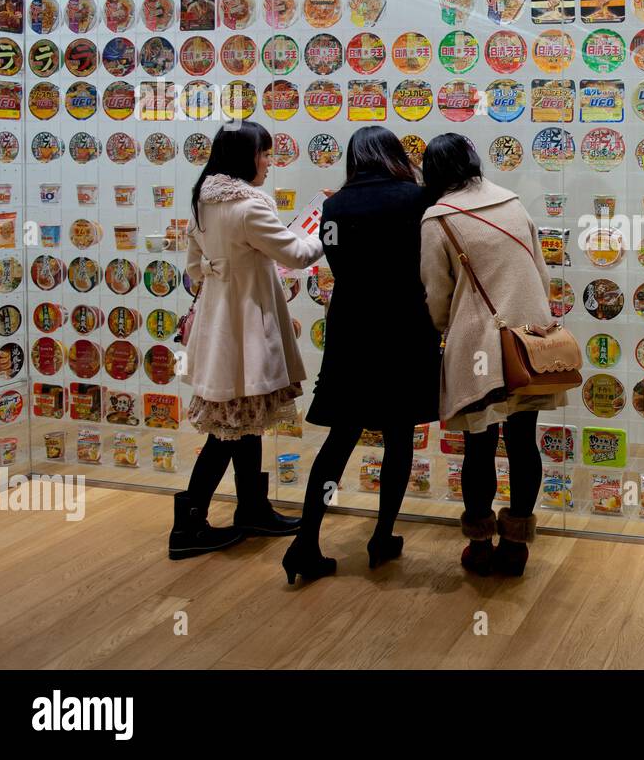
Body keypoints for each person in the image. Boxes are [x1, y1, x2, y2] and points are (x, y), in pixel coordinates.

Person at [282, 127, 442, 584]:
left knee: (339, 440)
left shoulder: (334, 206)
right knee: (398, 435)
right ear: (394, 155)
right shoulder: (417, 200)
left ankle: (306, 539)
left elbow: (335, 261)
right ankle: (382, 535)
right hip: (404, 327)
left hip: (351, 329)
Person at [169, 121, 325, 560]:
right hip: (247, 324)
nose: (269, 163)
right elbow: (296, 254)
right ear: (246, 158)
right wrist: (322, 229)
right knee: (229, 427)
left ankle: (252, 508)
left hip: (218, 320)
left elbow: (195, 269)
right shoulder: (250, 207)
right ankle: (188, 526)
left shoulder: (204, 201)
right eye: (265, 155)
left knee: (243, 415)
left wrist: (229, 272)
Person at [419, 133, 568, 577]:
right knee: (524, 442)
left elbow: (436, 295)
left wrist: (447, 331)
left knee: (479, 445)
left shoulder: (437, 219)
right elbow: (540, 274)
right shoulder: (512, 202)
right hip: (528, 342)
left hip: (478, 344)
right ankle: (517, 544)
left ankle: (480, 544)